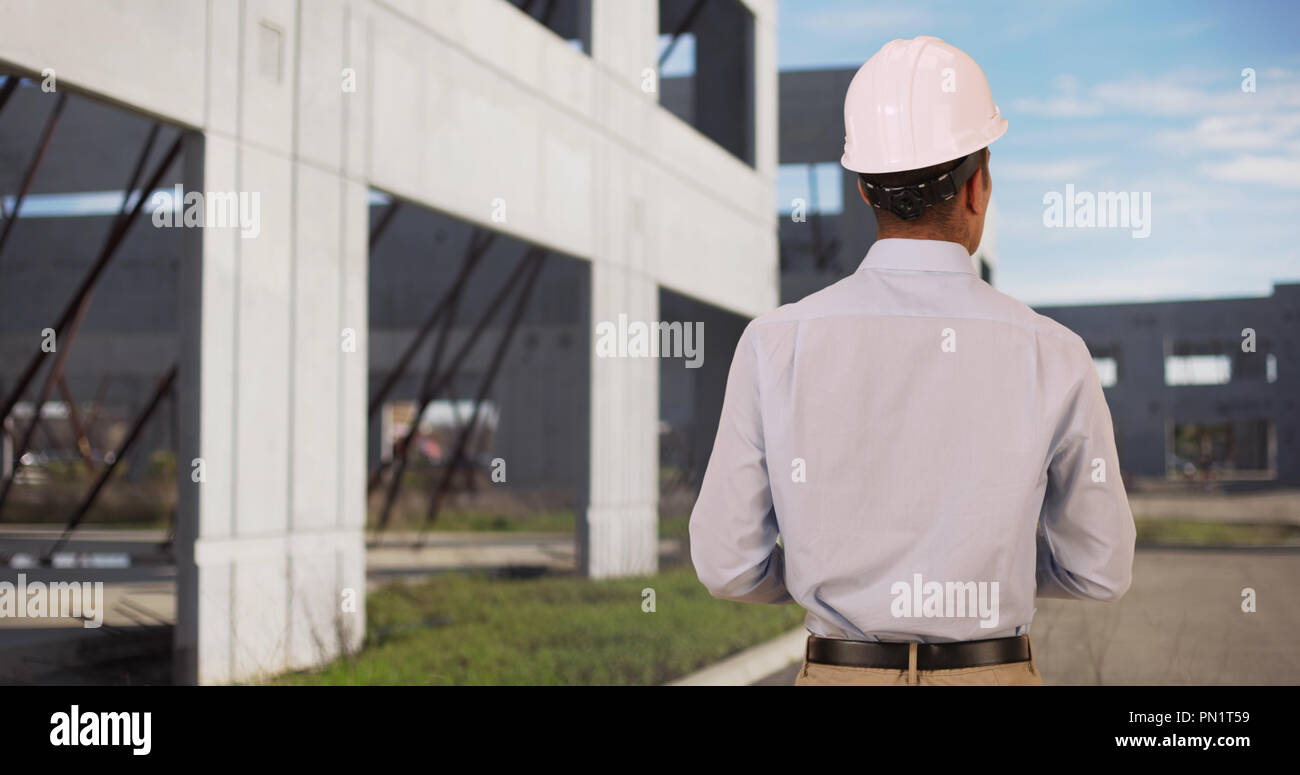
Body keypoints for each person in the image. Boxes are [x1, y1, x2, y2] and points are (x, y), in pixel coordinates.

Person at [688, 36, 1136, 686]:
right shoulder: (1055, 353)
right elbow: (1101, 569)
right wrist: (985, 571)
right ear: (979, 187)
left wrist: (834, 573)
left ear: (867, 191)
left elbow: (728, 564)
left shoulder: (775, 343)